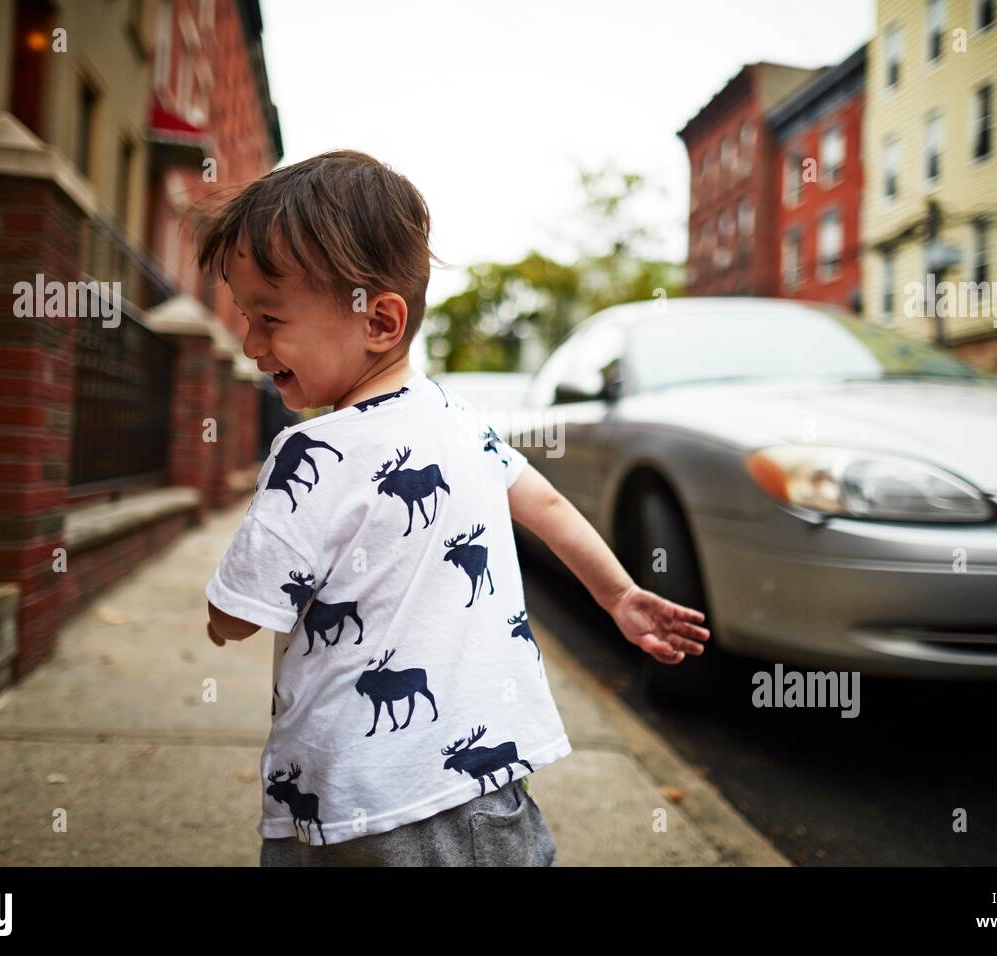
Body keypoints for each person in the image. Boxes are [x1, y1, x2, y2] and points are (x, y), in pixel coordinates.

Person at [198, 149, 710, 866]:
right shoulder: (466, 425)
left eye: (270, 319)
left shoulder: (310, 454)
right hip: (479, 805)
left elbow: (240, 613)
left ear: (379, 320)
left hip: (349, 799)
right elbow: (550, 505)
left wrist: (220, 617)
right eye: (248, 318)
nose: (252, 344)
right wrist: (617, 593)